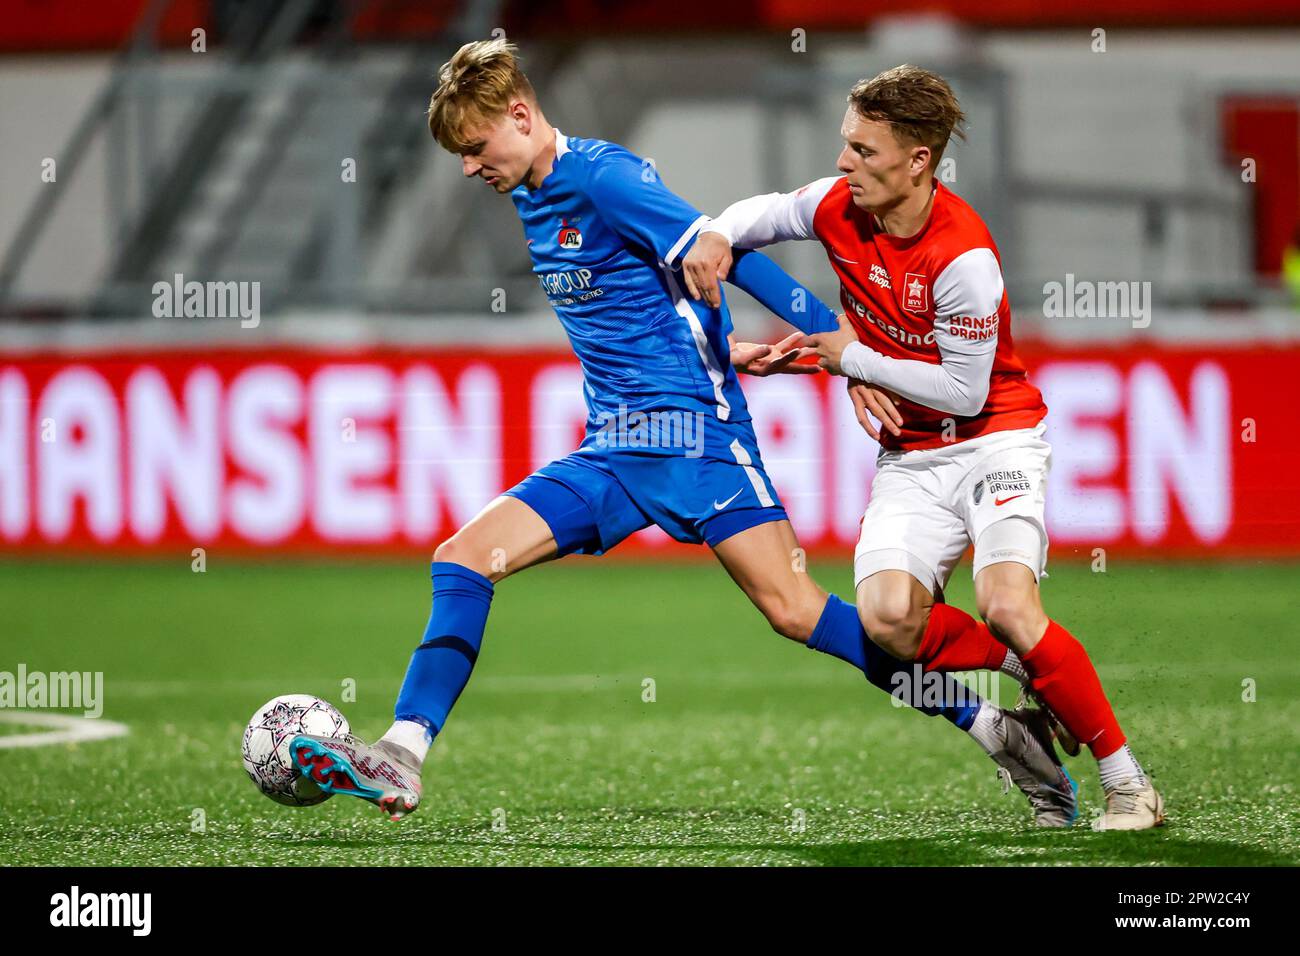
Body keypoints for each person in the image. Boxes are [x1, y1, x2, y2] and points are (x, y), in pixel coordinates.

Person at [289, 42, 1074, 827]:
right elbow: (644, 303)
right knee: (463, 559)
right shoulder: (529, 195)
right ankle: (403, 749)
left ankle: (998, 710)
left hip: (699, 445)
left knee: (799, 612)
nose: (468, 167)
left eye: (473, 147)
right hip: (614, 449)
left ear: (520, 116)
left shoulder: (604, 176)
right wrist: (716, 348)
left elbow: (724, 257)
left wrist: (848, 355)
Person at [684, 65, 1162, 831]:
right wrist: (714, 233)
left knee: (1007, 603)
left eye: (863, 150)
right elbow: (755, 216)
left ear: (918, 160)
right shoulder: (840, 206)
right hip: (910, 455)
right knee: (887, 620)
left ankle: (1130, 785)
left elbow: (964, 394)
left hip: (995, 440)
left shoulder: (964, 258)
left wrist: (850, 358)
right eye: (845, 144)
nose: (844, 164)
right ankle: (1029, 674)